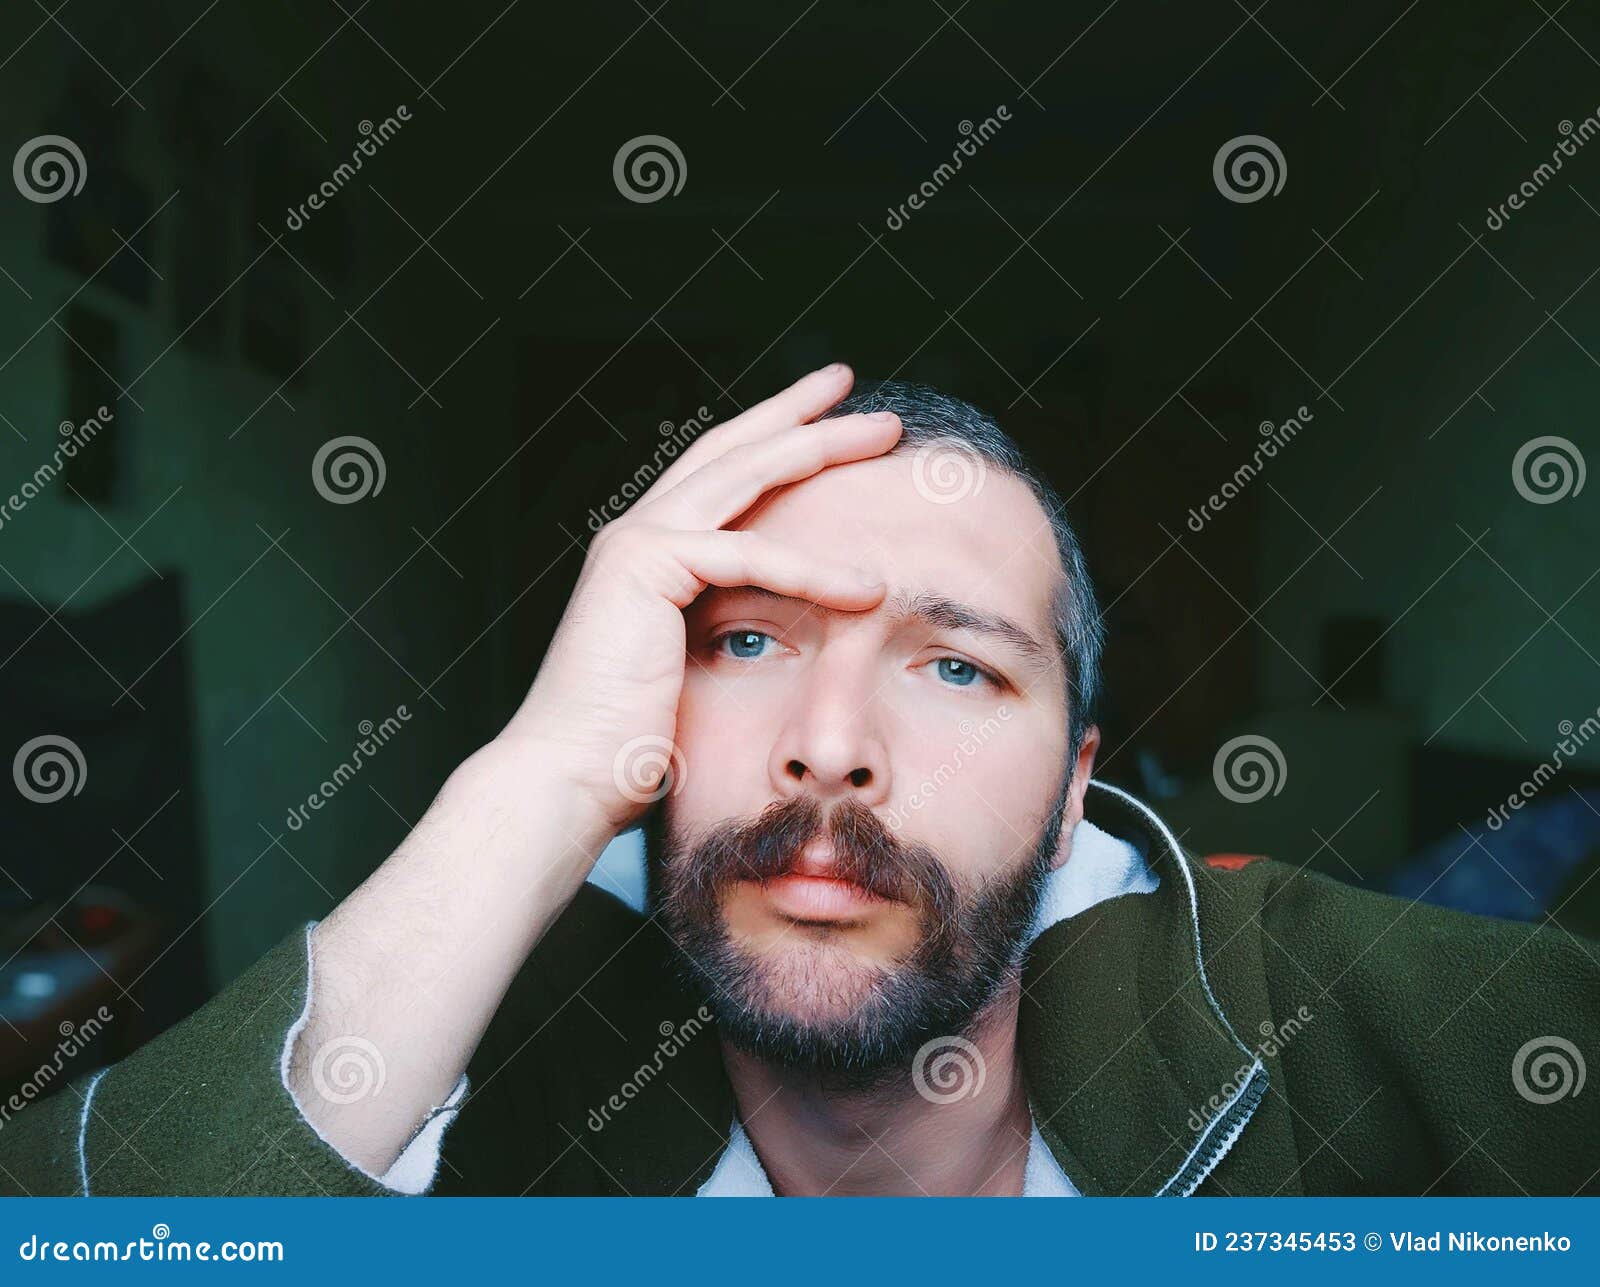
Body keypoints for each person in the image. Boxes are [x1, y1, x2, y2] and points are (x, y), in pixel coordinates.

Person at [3, 367, 1596, 1197]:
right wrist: (545, 777)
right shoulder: (469, 1120)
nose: (832, 744)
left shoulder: (1367, 1032)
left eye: (959, 664)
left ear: (1077, 790)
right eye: (749, 644)